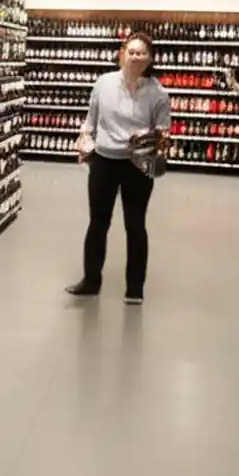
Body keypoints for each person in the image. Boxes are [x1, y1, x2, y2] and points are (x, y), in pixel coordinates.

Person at [64, 32, 171, 305]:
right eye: (131, 51)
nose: (135, 56)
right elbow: (91, 120)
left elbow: (163, 132)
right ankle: (90, 281)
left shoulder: (158, 93)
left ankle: (135, 288)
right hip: (104, 161)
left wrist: (153, 144)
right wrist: (85, 139)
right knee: (98, 223)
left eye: (141, 53)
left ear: (150, 58)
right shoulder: (103, 83)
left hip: (138, 164)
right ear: (122, 53)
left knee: (135, 225)